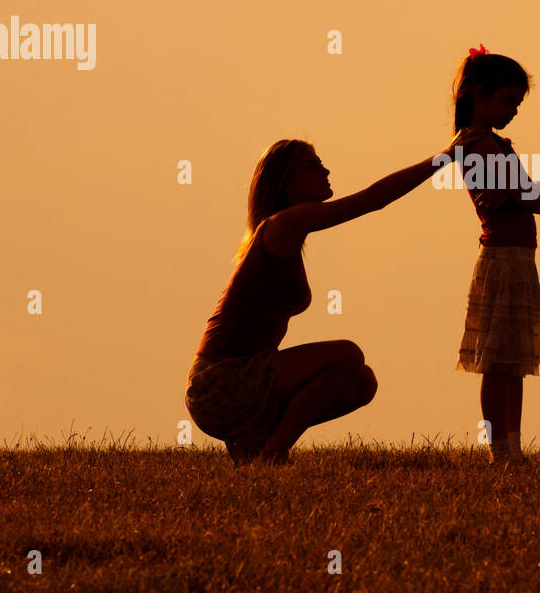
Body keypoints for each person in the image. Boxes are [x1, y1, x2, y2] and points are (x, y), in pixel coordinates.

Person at [187, 126, 490, 466]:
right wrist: (445, 157)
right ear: (287, 184)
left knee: (361, 382)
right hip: (218, 384)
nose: (326, 171)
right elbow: (374, 199)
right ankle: (272, 453)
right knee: (348, 355)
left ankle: (257, 446)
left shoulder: (288, 231)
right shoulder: (284, 223)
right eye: (313, 166)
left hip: (237, 381)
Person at [450, 44, 540, 464]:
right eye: (507, 100)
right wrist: (538, 191)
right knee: (496, 361)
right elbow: (524, 194)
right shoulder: (476, 146)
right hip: (502, 259)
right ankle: (499, 448)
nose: (513, 110)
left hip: (518, 258)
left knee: (513, 361)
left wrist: (529, 192)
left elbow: (519, 193)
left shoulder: (491, 145)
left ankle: (512, 445)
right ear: (480, 94)